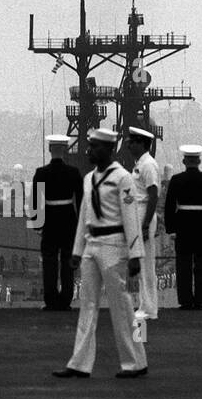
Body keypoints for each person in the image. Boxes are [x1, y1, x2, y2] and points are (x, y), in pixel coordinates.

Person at [53, 128, 147, 379]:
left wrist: (135, 253)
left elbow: (131, 217)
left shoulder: (123, 179)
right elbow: (84, 215)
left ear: (108, 149)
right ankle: (79, 363)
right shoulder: (88, 179)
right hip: (92, 244)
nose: (90, 150)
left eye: (95, 146)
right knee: (87, 304)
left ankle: (135, 361)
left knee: (122, 306)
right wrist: (77, 250)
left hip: (114, 245)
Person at [163, 144, 202, 310]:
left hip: (182, 223)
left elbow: (169, 206)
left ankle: (185, 300)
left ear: (184, 161)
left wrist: (170, 229)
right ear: (199, 161)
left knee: (183, 264)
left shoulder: (176, 180)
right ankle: (200, 300)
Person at [30, 134, 82, 310]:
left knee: (49, 261)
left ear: (50, 149)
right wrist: (80, 226)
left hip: (50, 220)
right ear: (65, 150)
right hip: (69, 219)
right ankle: (66, 300)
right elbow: (81, 201)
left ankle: (50, 301)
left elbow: (36, 201)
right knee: (68, 261)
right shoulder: (74, 173)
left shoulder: (41, 172)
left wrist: (38, 225)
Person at [127, 126, 161, 321]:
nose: (129, 145)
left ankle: (149, 309)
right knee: (140, 262)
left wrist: (147, 223)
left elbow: (153, 194)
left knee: (146, 263)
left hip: (143, 215)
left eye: (132, 142)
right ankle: (144, 305)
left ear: (141, 143)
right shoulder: (140, 163)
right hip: (137, 213)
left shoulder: (148, 165)